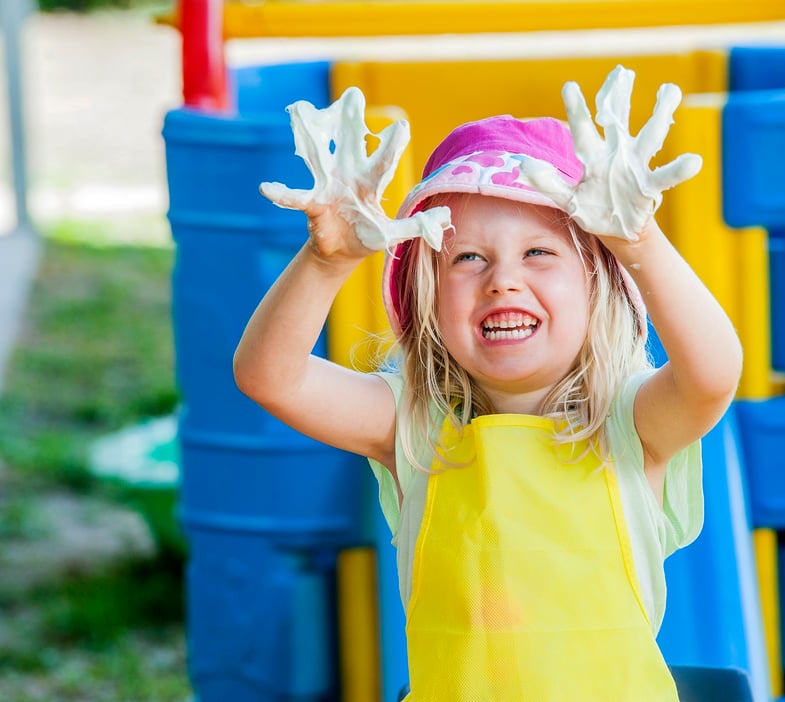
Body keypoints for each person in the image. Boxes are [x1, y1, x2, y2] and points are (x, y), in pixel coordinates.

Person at [234, 65, 743, 700]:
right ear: (426, 295)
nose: (502, 280)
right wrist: (325, 261)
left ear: (597, 285)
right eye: (468, 257)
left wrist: (640, 243)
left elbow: (713, 374)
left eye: (539, 253)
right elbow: (268, 377)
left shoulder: (630, 421)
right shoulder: (413, 426)